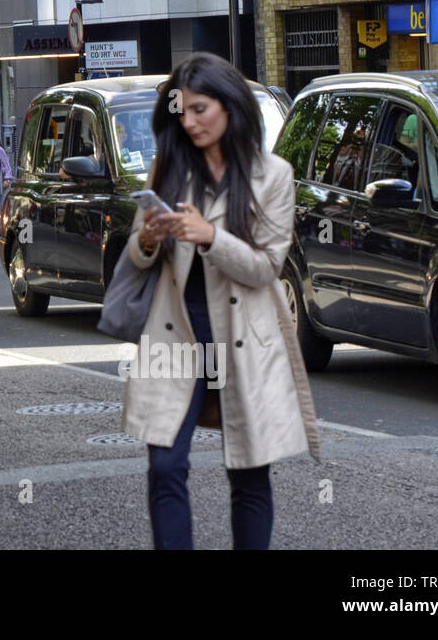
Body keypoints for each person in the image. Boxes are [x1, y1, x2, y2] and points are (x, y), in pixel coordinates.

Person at [124, 52, 319, 550]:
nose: (188, 122)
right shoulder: (167, 167)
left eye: (200, 110)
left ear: (230, 106)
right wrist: (148, 239)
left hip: (242, 339)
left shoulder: (272, 175)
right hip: (177, 335)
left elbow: (266, 266)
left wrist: (210, 235)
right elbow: (137, 255)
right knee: (165, 465)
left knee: (249, 471)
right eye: (182, 112)